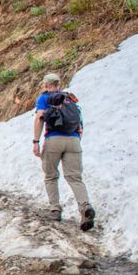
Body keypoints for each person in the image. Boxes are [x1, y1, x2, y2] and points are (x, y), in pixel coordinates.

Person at [33, 72, 95, 231]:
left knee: (51, 175)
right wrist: (76, 140)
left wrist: (36, 141)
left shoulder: (44, 98)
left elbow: (39, 118)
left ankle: (55, 209)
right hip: (73, 140)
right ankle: (85, 206)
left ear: (45, 84)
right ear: (58, 84)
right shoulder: (70, 98)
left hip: (53, 140)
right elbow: (79, 121)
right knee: (75, 177)